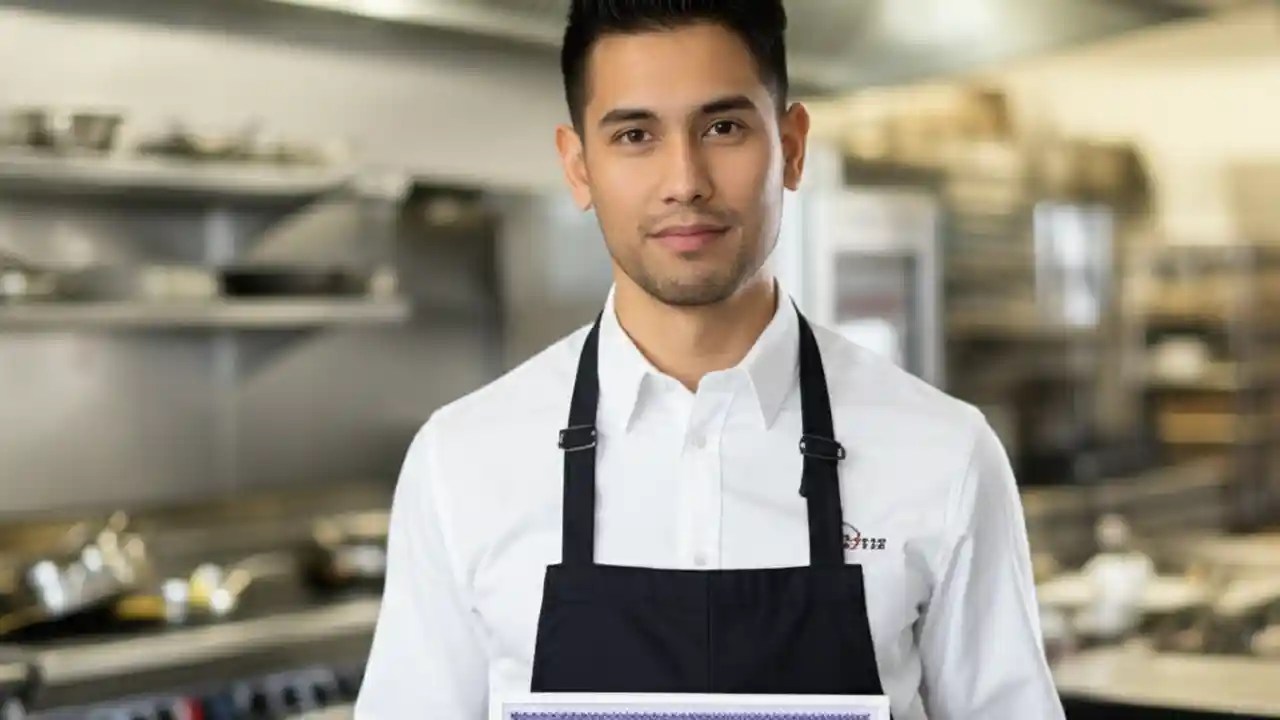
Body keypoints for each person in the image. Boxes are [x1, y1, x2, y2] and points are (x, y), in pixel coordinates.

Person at [355, 2, 1064, 718]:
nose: (684, 179)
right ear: (579, 167)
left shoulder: (945, 453)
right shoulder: (461, 461)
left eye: (723, 128)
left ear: (791, 146)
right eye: (635, 135)